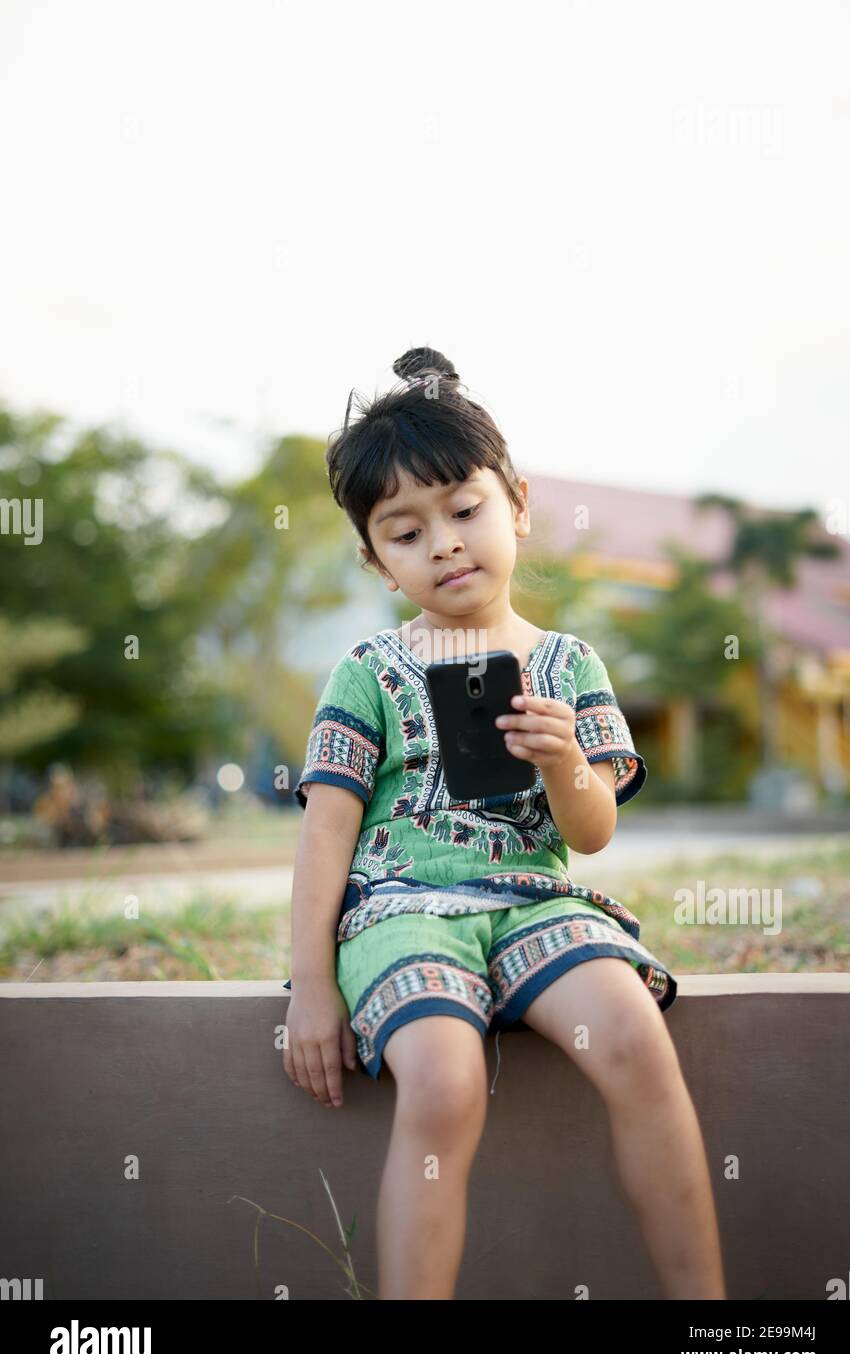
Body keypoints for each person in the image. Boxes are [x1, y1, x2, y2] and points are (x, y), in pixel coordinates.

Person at [283, 346, 726, 1301]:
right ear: (376, 559)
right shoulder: (366, 672)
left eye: (464, 511)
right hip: (400, 913)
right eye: (405, 532)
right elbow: (325, 836)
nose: (442, 543)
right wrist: (312, 988)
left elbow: (594, 828)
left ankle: (710, 1319)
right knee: (443, 1080)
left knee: (639, 1043)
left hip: (534, 903)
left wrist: (566, 759)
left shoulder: (570, 664)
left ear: (518, 505)